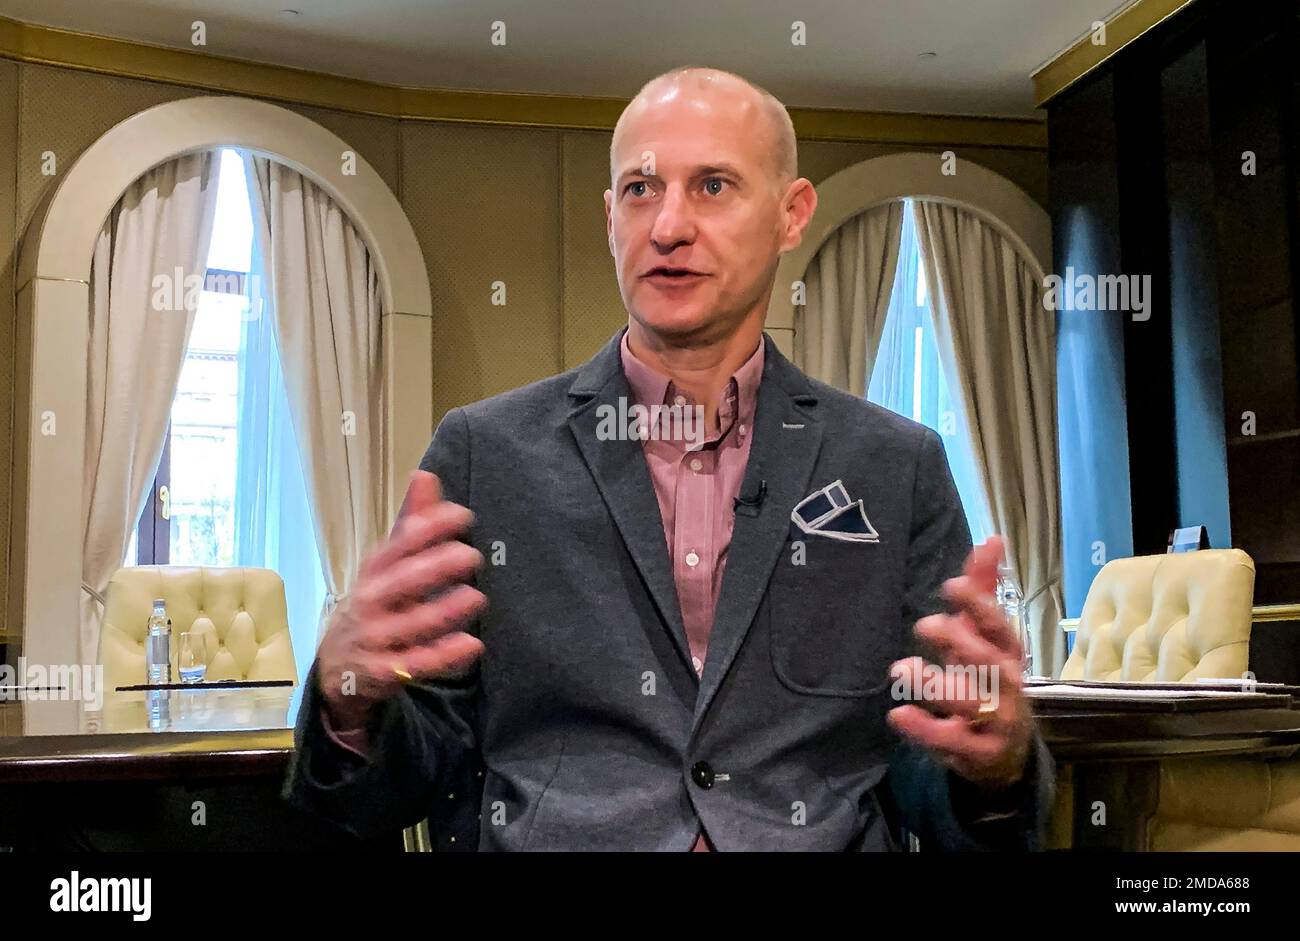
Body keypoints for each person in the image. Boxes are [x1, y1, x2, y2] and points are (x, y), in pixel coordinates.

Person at [285, 66, 1053, 851]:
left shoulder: (897, 465)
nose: (669, 226)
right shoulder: (486, 453)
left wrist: (994, 767)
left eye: (713, 185)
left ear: (793, 215)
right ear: (609, 215)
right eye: (641, 190)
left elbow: (930, 757)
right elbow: (406, 781)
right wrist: (348, 701)